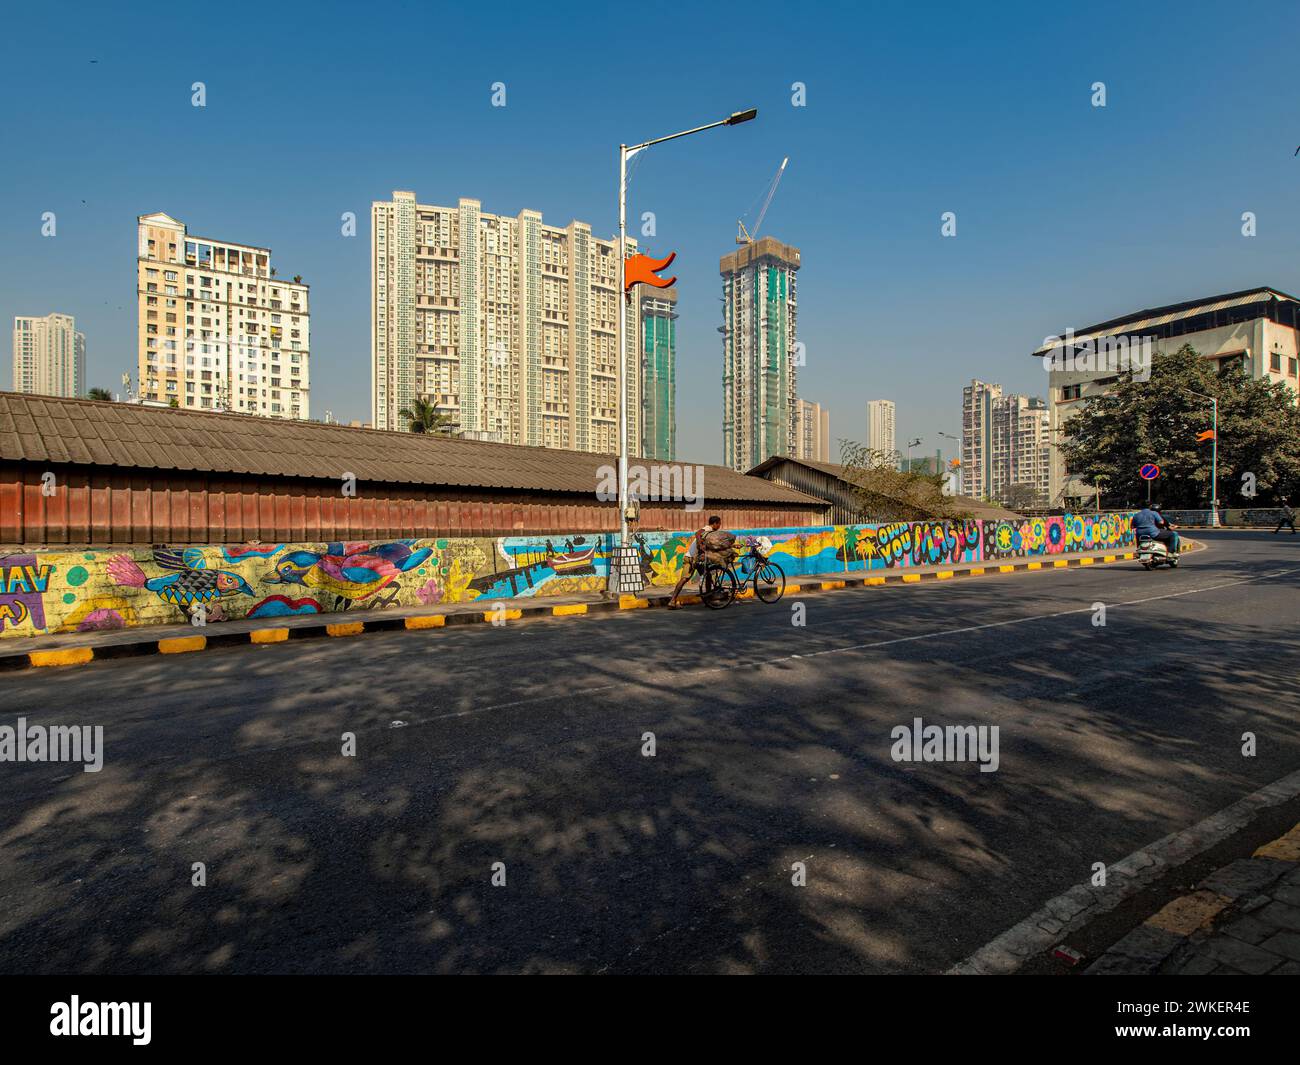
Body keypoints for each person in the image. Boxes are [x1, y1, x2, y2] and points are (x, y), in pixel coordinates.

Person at [668, 515, 730, 608]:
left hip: (697, 560)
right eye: (719, 524)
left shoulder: (711, 534)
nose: (719, 526)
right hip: (691, 558)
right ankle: (672, 601)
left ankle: (708, 601)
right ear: (715, 523)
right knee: (685, 579)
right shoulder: (708, 529)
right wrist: (700, 543)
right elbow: (698, 533)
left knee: (708, 576)